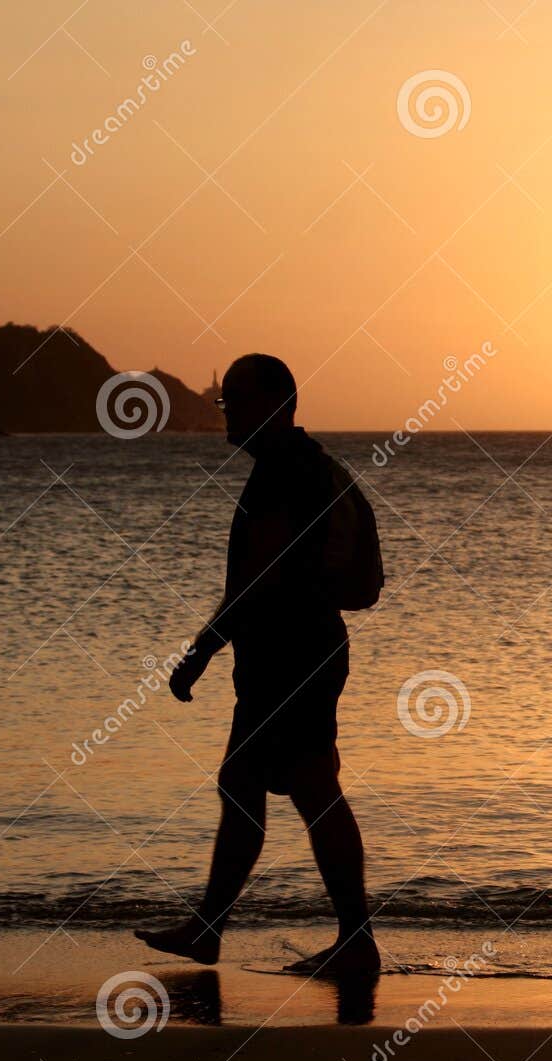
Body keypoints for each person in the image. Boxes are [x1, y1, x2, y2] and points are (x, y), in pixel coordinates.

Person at [136, 353, 380, 976]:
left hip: (291, 660)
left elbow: (255, 581)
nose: (227, 409)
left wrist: (200, 652)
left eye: (237, 399)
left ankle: (354, 940)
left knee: (312, 793)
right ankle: (211, 929)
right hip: (305, 653)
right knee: (246, 785)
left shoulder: (283, 476)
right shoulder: (321, 469)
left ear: (277, 404)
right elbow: (364, 583)